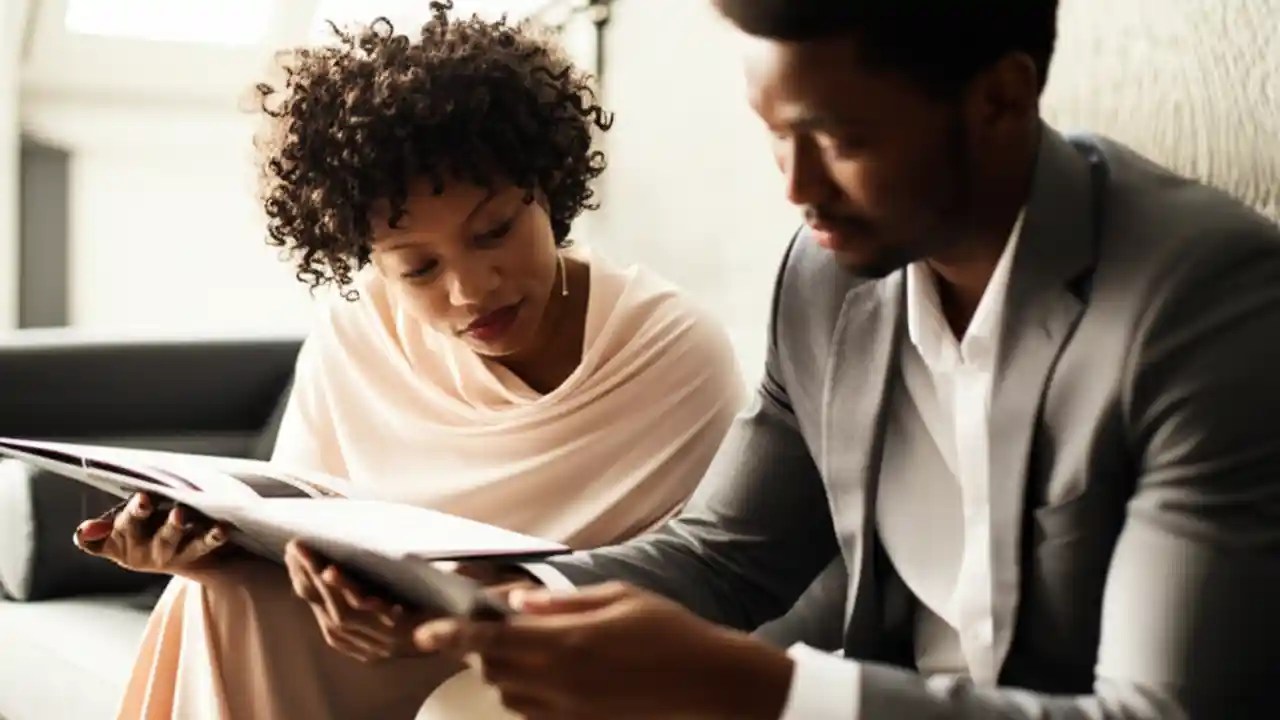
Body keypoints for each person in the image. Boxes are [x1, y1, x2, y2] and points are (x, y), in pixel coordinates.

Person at [412, 0, 1280, 718]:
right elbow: (726, 556)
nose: (797, 188)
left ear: (1003, 99)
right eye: (774, 134)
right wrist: (492, 587)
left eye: (841, 141)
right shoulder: (827, 275)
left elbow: (1159, 714)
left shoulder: (1206, 299)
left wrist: (752, 686)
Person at [70, 3, 746, 718]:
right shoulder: (358, 334)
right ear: (369, 264)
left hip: (549, 658)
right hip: (364, 648)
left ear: (547, 186)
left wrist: (457, 613)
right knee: (220, 597)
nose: (469, 288)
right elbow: (297, 528)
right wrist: (212, 551)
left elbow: (708, 583)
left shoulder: (671, 351)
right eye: (417, 268)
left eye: (495, 231)